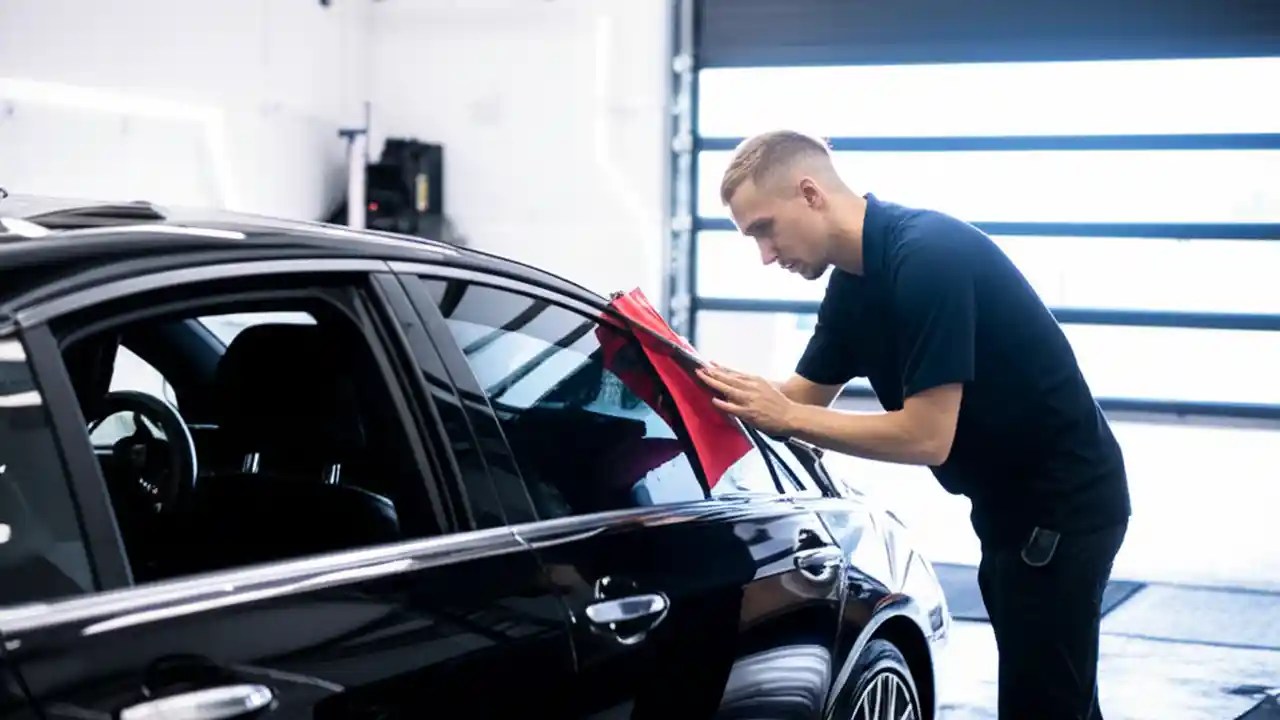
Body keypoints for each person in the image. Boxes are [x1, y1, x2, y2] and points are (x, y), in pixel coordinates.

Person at [696, 129, 1131, 719]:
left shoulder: (926, 258)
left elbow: (927, 436)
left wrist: (790, 416)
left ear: (809, 193)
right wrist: (685, 376)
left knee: (1043, 702)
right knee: (1060, 694)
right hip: (1008, 510)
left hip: (1065, 508)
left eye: (764, 230)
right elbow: (799, 397)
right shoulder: (851, 283)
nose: (766, 255)